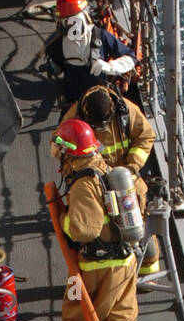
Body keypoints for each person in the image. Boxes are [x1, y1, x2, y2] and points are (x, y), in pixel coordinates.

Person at [53, 118, 141, 321]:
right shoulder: (108, 168)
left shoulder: (83, 183)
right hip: (125, 263)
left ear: (68, 153)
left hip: (94, 270)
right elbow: (141, 192)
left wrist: (62, 219)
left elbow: (84, 230)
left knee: (77, 318)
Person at [56, 84, 159, 274]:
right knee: (99, 227)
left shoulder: (126, 111)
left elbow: (145, 136)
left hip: (124, 176)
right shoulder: (73, 117)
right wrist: (80, 172)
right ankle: (113, 270)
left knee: (137, 221)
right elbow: (61, 146)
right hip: (93, 180)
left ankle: (147, 271)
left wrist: (131, 167)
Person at [45, 0, 136, 106]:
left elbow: (131, 57)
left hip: (101, 100)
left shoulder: (100, 36)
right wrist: (55, 68)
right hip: (73, 102)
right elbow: (56, 64)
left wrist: (109, 66)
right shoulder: (58, 43)